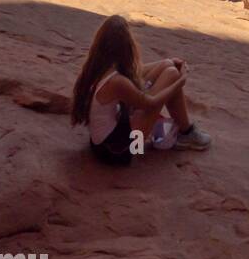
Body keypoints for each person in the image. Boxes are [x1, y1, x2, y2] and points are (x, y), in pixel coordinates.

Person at [71, 15, 210, 162]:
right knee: (172, 75)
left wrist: (167, 62)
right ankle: (186, 132)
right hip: (120, 152)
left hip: (103, 144)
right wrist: (180, 82)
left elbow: (137, 73)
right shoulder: (117, 82)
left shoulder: (99, 67)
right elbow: (151, 103)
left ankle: (186, 131)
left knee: (168, 67)